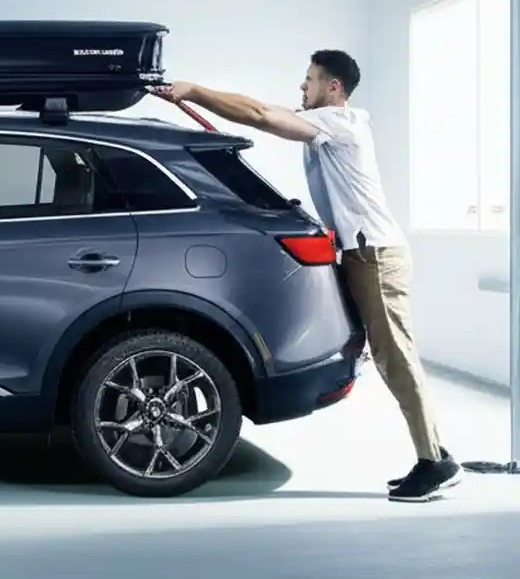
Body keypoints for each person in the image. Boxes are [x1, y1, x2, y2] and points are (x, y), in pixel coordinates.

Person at [147, 50, 462, 503]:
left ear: (333, 88)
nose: (302, 87)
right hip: (361, 253)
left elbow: (258, 114)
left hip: (374, 255)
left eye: (310, 80)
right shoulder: (329, 127)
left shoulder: (341, 124)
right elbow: (262, 109)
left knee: (397, 357)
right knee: (389, 356)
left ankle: (435, 461)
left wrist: (194, 90)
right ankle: (433, 452)